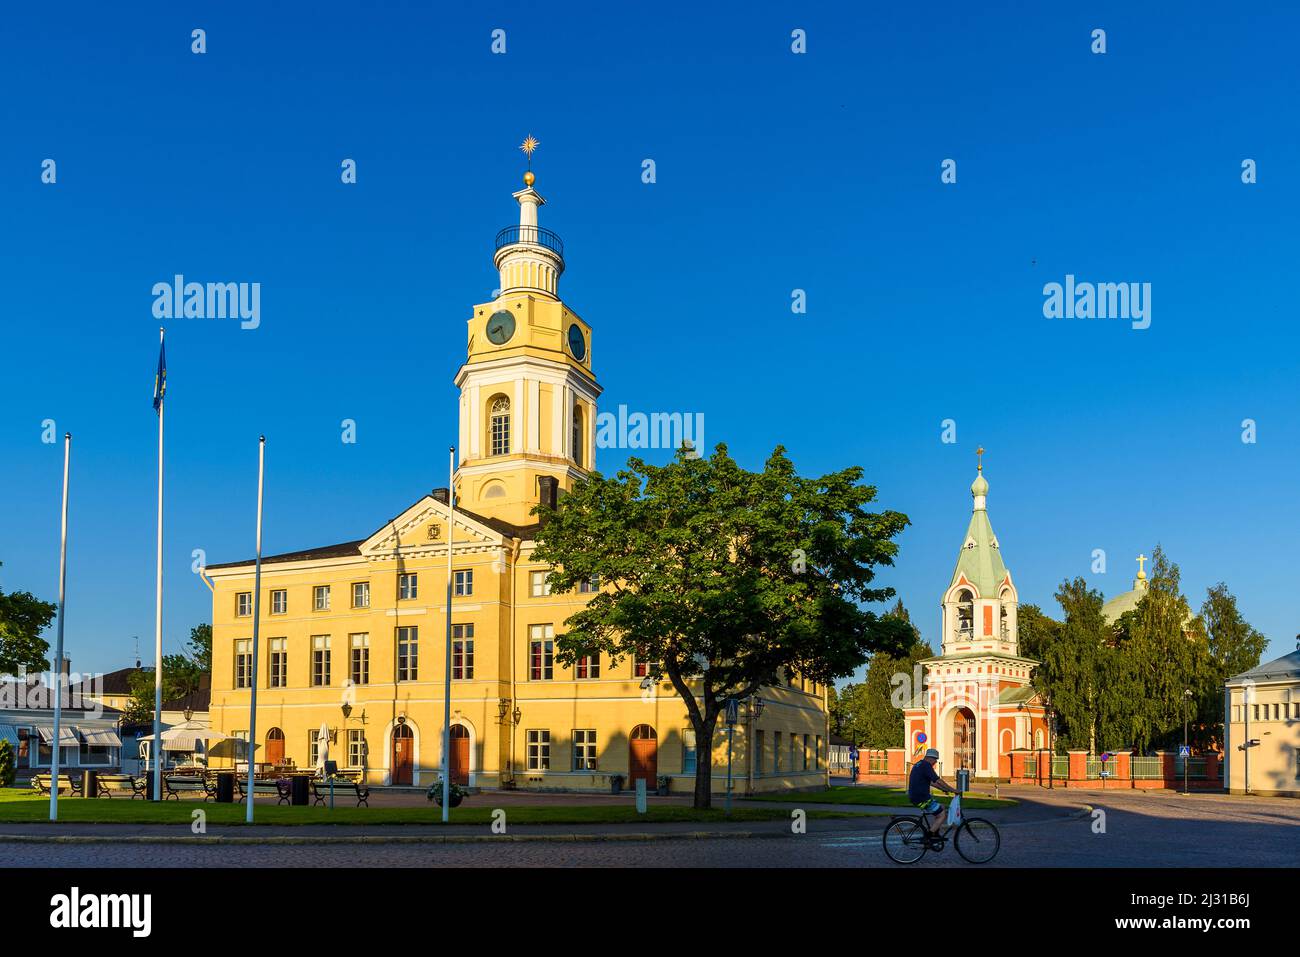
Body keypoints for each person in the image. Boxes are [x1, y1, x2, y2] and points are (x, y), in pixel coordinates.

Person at [908, 748, 958, 837]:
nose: (935, 762)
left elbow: (931, 782)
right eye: (935, 759)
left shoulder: (919, 764)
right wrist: (953, 790)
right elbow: (938, 780)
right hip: (922, 798)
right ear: (929, 758)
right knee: (942, 815)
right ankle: (929, 836)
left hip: (916, 796)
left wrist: (944, 789)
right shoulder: (926, 766)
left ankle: (935, 833)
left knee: (941, 807)